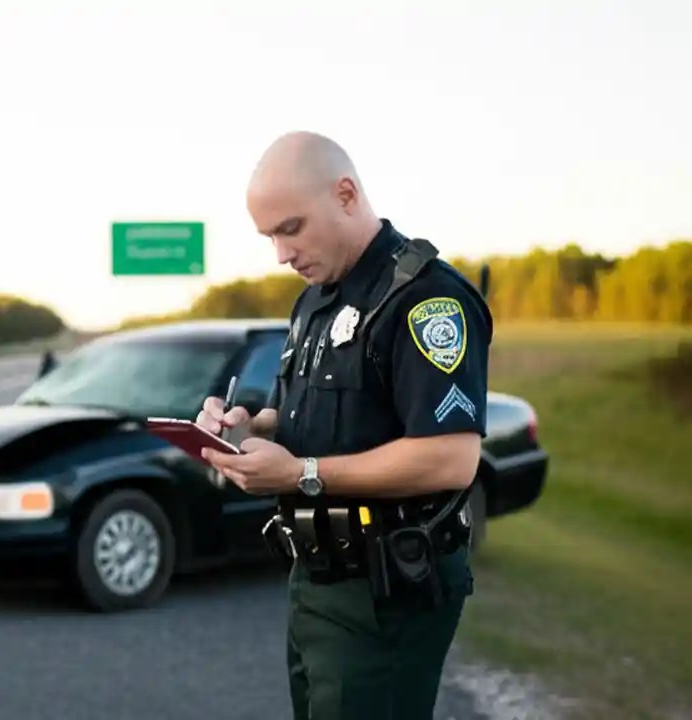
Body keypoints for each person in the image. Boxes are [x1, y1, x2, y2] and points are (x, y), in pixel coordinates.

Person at [196, 131, 492, 720]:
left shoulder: (425, 299)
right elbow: (304, 416)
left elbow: (451, 457)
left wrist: (301, 472)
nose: (282, 254)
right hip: (315, 577)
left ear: (347, 194)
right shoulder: (313, 302)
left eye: (291, 228)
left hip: (387, 587)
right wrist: (248, 430)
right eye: (270, 237)